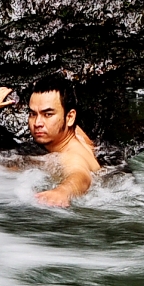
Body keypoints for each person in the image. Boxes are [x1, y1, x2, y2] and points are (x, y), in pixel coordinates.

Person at [26, 75, 100, 207]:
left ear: (70, 117)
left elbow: (80, 175)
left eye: (48, 114)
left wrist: (62, 191)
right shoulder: (77, 133)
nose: (37, 123)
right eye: (33, 114)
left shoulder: (70, 156)